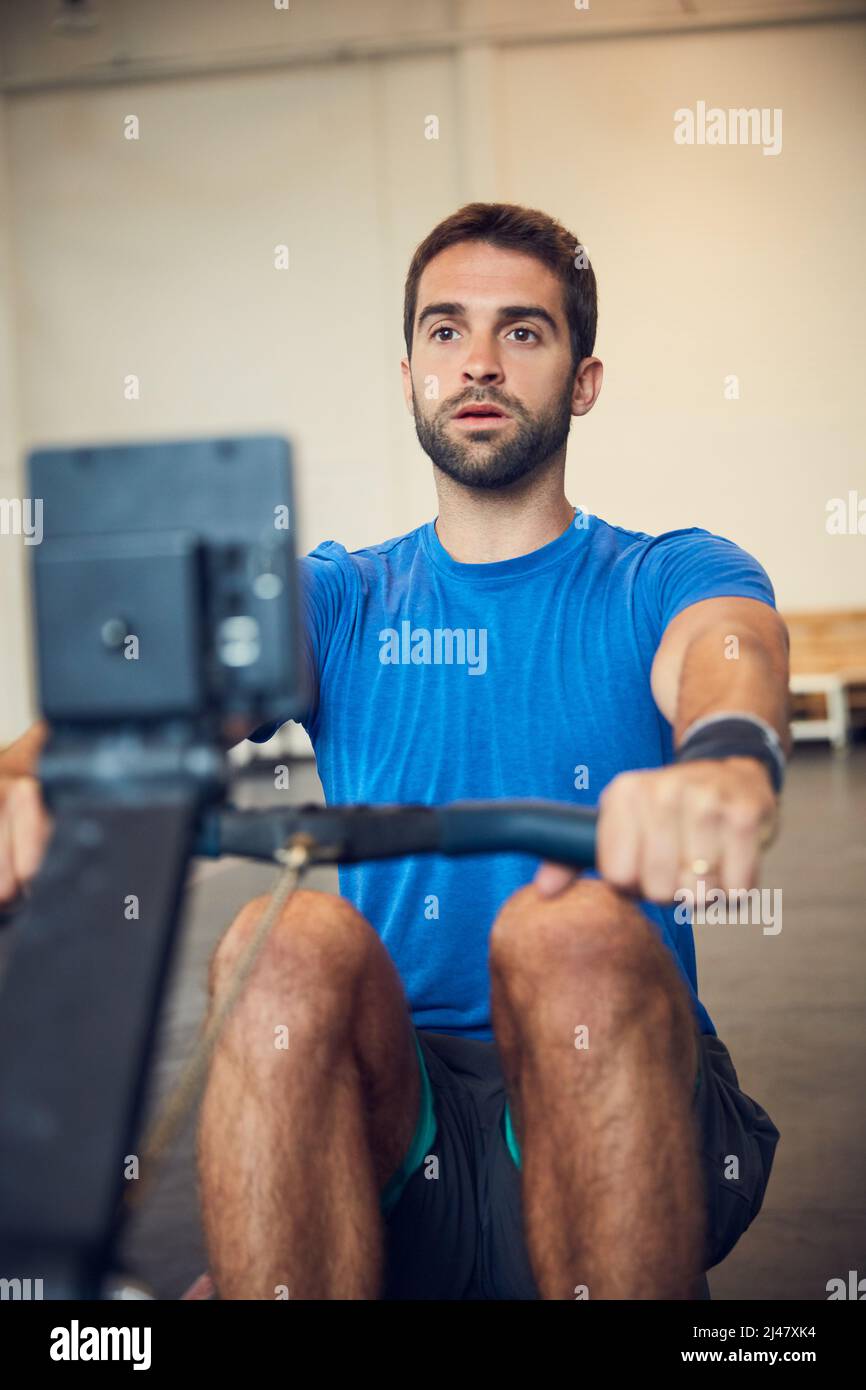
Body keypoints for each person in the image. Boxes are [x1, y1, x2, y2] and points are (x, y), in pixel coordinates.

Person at [0, 202, 786, 1301]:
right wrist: (23, 780)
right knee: (281, 940)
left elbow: (726, 648)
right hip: (389, 1116)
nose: (477, 361)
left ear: (583, 378)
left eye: (521, 332)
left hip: (614, 1086)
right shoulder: (337, 596)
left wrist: (725, 753)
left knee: (570, 929)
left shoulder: (661, 573)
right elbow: (161, 705)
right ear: (408, 369)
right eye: (443, 330)